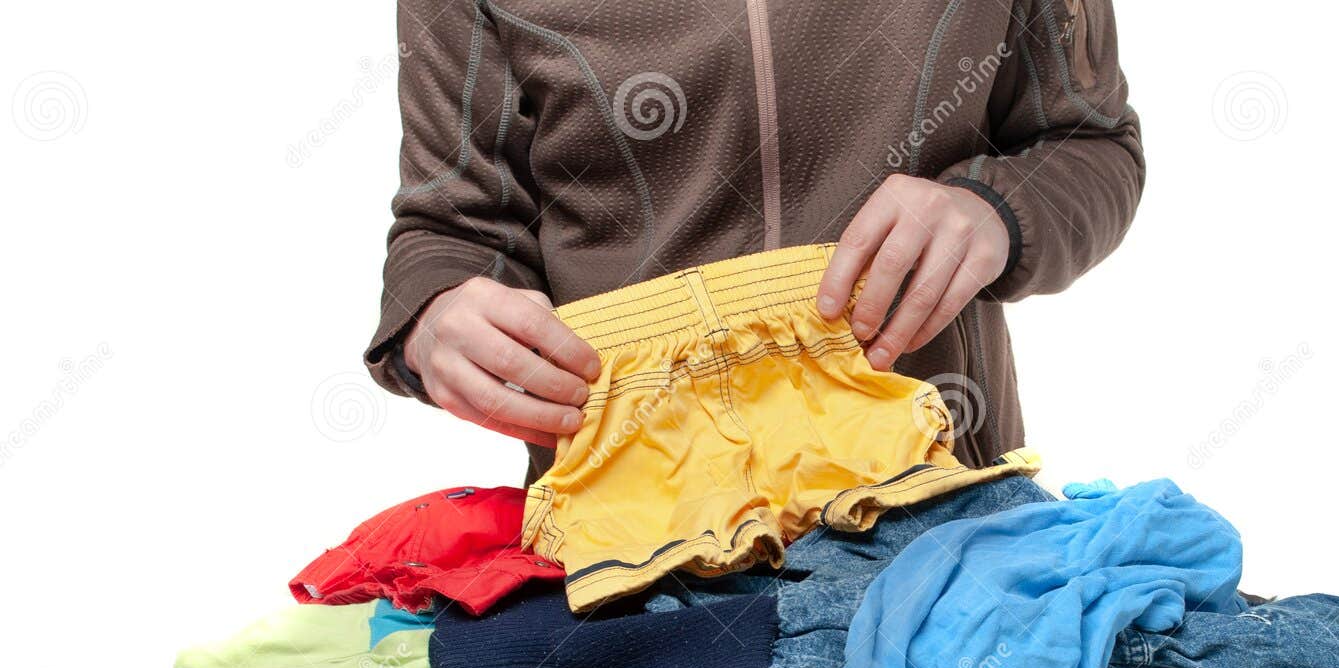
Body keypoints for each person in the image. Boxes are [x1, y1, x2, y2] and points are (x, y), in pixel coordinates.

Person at [365, 0, 1143, 481]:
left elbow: (1090, 140)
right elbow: (452, 226)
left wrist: (995, 210)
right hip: (623, 560)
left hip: (947, 513)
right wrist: (433, 316)